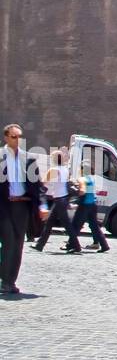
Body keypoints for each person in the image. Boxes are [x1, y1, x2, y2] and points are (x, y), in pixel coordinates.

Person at [0, 124, 43, 293]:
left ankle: (9, 281)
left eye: (19, 137)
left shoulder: (29, 159)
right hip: (3, 206)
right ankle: (5, 278)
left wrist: (42, 206)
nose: (17, 140)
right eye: (13, 137)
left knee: (17, 244)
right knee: (9, 241)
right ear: (5, 138)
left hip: (22, 205)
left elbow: (38, 185)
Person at [34, 145, 73, 253]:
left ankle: (76, 245)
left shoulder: (54, 169)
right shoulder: (65, 170)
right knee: (49, 223)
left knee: (67, 224)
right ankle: (39, 245)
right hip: (62, 199)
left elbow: (43, 182)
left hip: (59, 199)